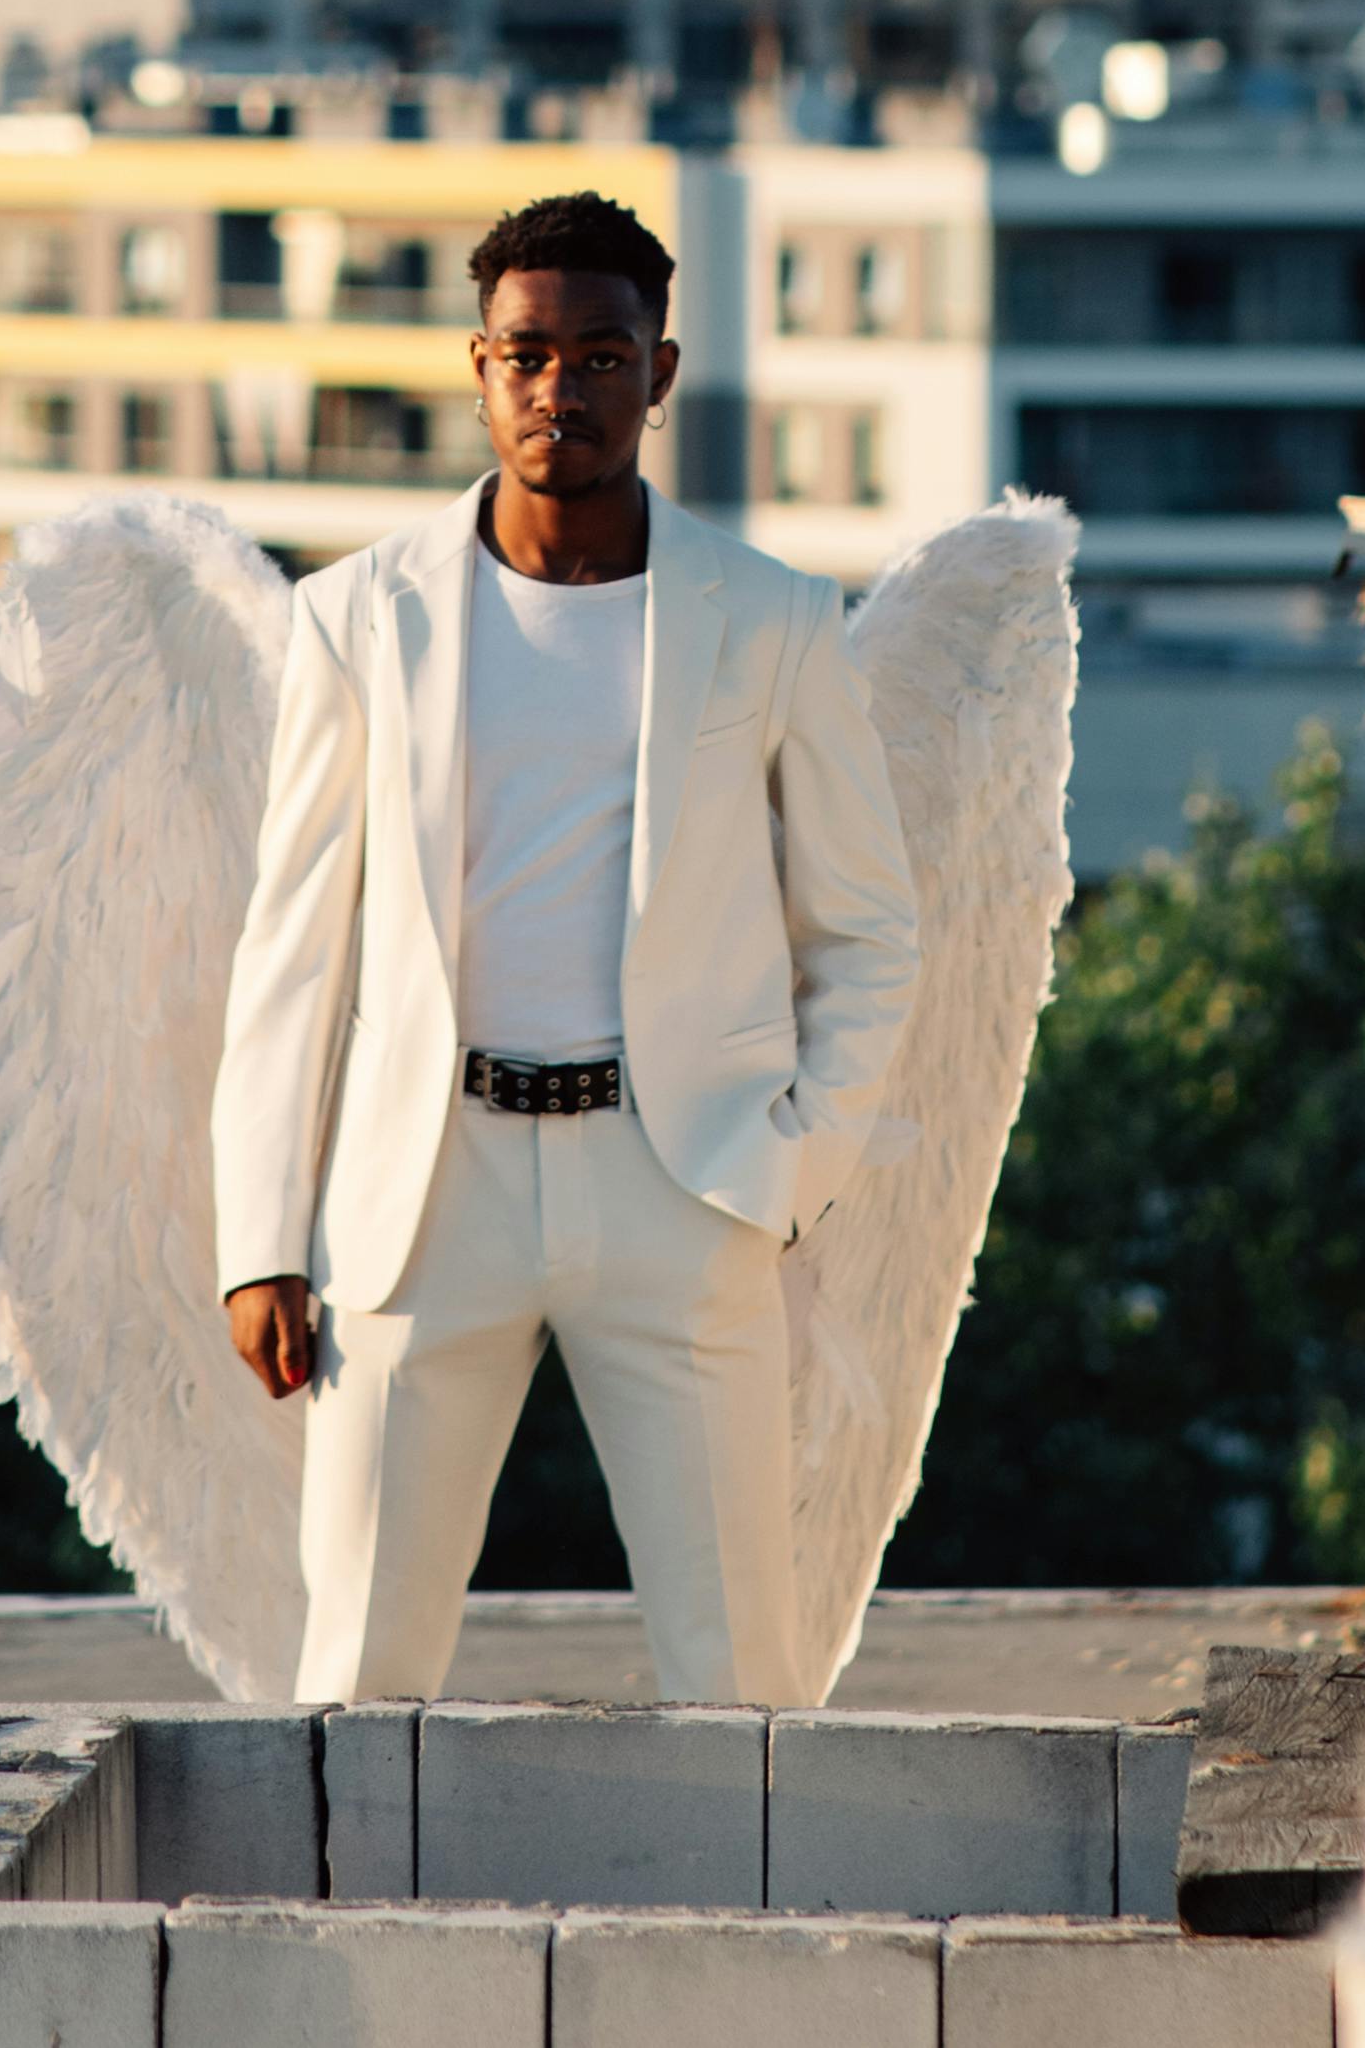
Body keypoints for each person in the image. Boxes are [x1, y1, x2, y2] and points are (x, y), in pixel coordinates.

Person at [209, 190, 923, 1708]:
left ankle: (760, 1946)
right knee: (355, 1670)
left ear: (658, 373)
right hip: (422, 1186)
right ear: (478, 368)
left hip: (683, 1180)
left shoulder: (777, 620)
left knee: (741, 1670)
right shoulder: (356, 620)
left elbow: (866, 929)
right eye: (528, 356)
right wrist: (262, 1235)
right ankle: (344, 1944)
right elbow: (293, 944)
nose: (561, 390)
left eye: (602, 356)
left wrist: (791, 1169)